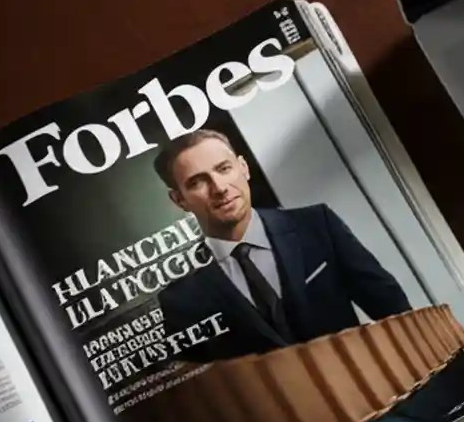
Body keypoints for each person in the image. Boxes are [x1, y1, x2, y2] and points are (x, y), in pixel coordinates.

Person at [154, 129, 411, 363]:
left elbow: (396, 313)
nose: (219, 188)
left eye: (224, 169)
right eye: (197, 182)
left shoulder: (317, 225)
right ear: (179, 200)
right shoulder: (181, 298)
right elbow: (207, 390)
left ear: (243, 168)